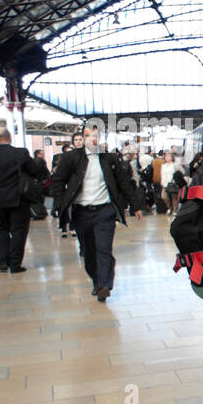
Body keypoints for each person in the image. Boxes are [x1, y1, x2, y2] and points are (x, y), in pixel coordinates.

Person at [50, 123, 144, 300]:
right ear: (83, 138)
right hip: (81, 212)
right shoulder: (71, 158)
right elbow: (58, 181)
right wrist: (60, 204)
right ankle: (96, 280)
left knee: (104, 249)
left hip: (104, 211)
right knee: (89, 251)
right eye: (87, 136)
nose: (92, 139)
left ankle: (104, 285)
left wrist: (135, 205)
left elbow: (123, 183)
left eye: (95, 136)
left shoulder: (109, 158)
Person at [0, 124, 47, 274]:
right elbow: (35, 171)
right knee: (19, 230)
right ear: (10, 138)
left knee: (2, 229)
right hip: (19, 198)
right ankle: (15, 264)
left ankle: (3, 262)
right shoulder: (20, 153)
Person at [162, 151, 185, 216]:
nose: (167, 157)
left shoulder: (175, 165)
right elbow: (162, 174)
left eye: (169, 156)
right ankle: (169, 207)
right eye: (166, 156)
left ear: (172, 157)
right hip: (165, 184)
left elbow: (182, 172)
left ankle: (175, 210)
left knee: (174, 197)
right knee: (164, 197)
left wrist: (177, 178)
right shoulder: (164, 166)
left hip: (173, 183)